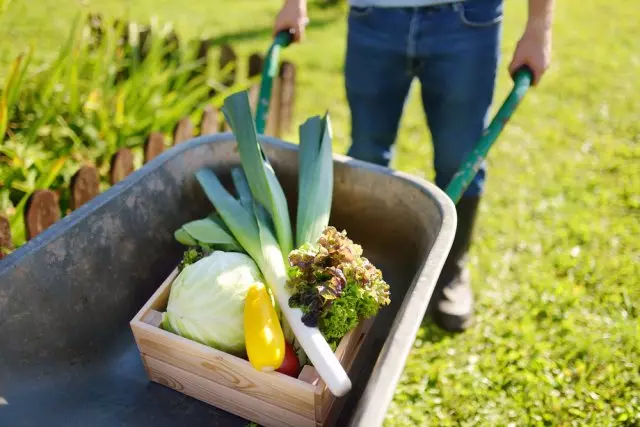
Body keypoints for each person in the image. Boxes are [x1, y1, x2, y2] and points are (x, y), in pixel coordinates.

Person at [273, 0, 554, 332]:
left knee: (460, 158)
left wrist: (539, 26)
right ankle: (358, 264)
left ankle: (450, 271)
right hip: (373, 15)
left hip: (467, 19)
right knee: (366, 151)